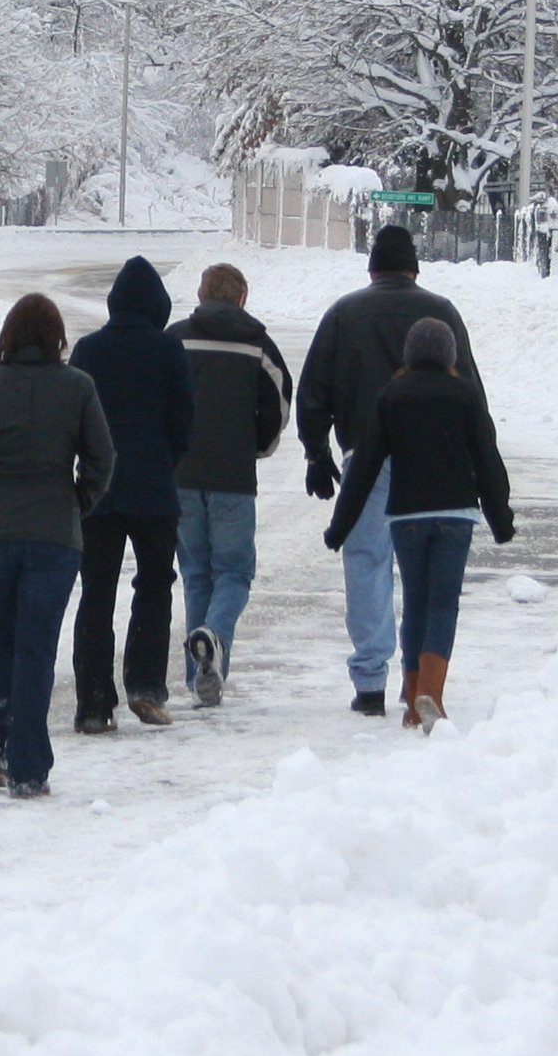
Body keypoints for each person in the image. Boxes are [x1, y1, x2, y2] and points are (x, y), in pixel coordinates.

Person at [297, 225, 480, 717]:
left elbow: (313, 388)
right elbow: (471, 392)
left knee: (367, 562)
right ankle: (417, 681)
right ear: (414, 268)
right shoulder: (441, 312)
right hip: (433, 462)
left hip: (366, 459)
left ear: (372, 267)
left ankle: (370, 680)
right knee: (424, 575)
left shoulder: (344, 312)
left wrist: (316, 452)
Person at [0, 292, 115, 798]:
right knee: (36, 645)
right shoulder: (78, 388)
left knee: (2, 636)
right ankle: (28, 765)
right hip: (55, 534)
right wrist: (77, 500)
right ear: (57, 338)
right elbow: (102, 458)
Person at [323, 317, 512, 728]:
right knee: (443, 604)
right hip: (455, 515)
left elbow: (365, 465)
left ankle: (412, 702)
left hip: (406, 516)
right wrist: (501, 517)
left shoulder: (392, 395)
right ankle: (430, 692)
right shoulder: (464, 393)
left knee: (415, 604)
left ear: (410, 354)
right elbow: (487, 458)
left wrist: (340, 527)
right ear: (449, 355)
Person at [66, 256, 195, 732]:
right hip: (154, 489)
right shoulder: (168, 350)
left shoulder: (88, 350)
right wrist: (163, 460)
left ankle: (94, 704)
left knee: (96, 592)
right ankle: (146, 686)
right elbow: (184, 421)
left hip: (97, 494)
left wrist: (85, 473)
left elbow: (72, 420)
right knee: (155, 585)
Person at [168, 262, 291, 708]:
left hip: (181, 475)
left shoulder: (175, 338)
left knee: (196, 572)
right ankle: (214, 641)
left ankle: (197, 675)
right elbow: (278, 402)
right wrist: (257, 447)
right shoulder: (257, 343)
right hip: (234, 477)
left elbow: (158, 396)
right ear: (241, 298)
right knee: (235, 572)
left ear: (201, 295)